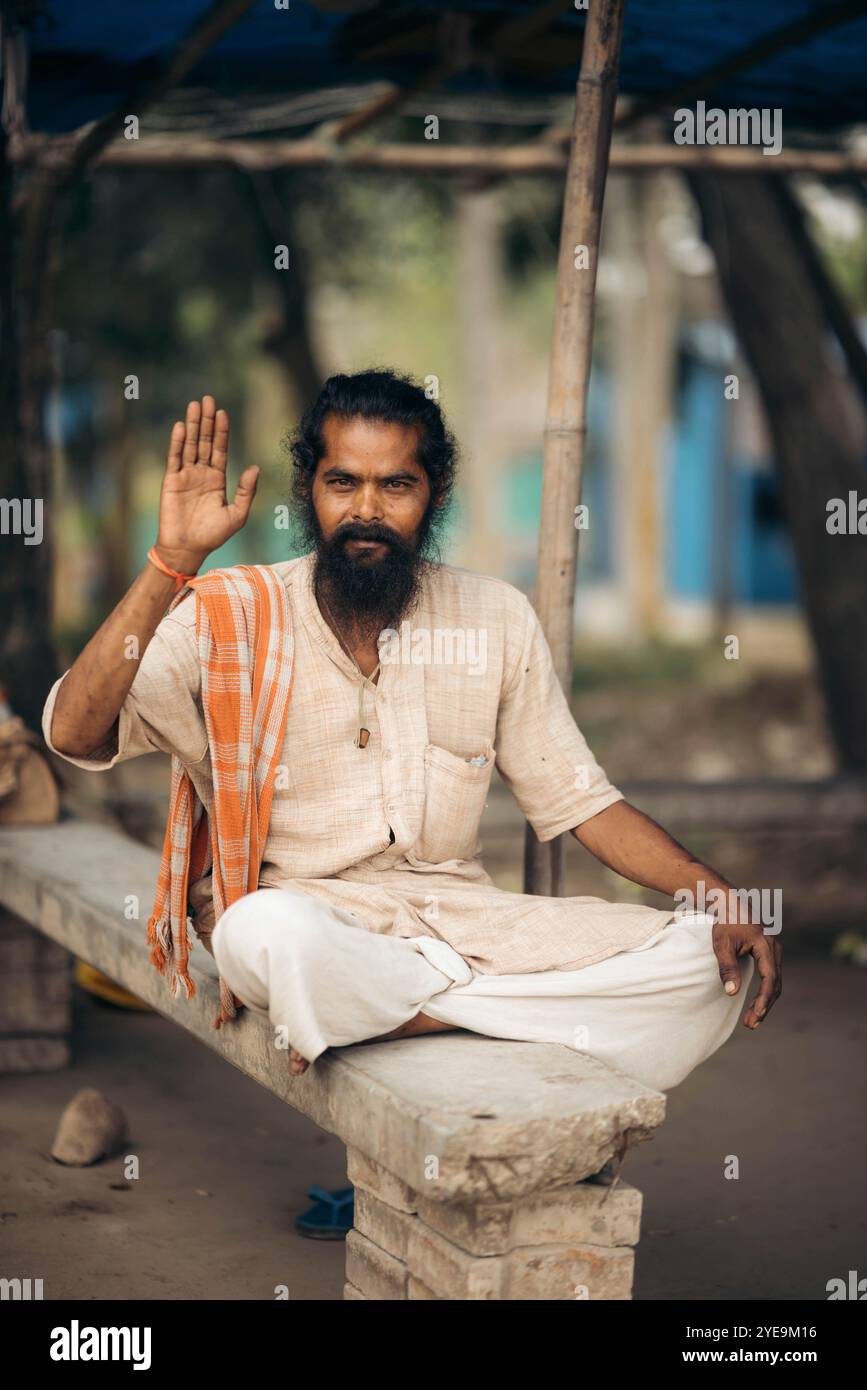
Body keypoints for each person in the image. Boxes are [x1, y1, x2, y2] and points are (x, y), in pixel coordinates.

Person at [43, 370, 781, 1097]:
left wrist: (715, 893)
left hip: (468, 927)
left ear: (435, 493)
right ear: (308, 488)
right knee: (255, 933)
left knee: (704, 957)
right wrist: (171, 563)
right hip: (312, 922)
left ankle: (418, 1012)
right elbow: (74, 733)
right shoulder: (230, 615)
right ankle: (463, 1007)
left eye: (395, 485)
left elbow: (581, 803)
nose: (366, 509)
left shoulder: (494, 617)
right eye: (343, 483)